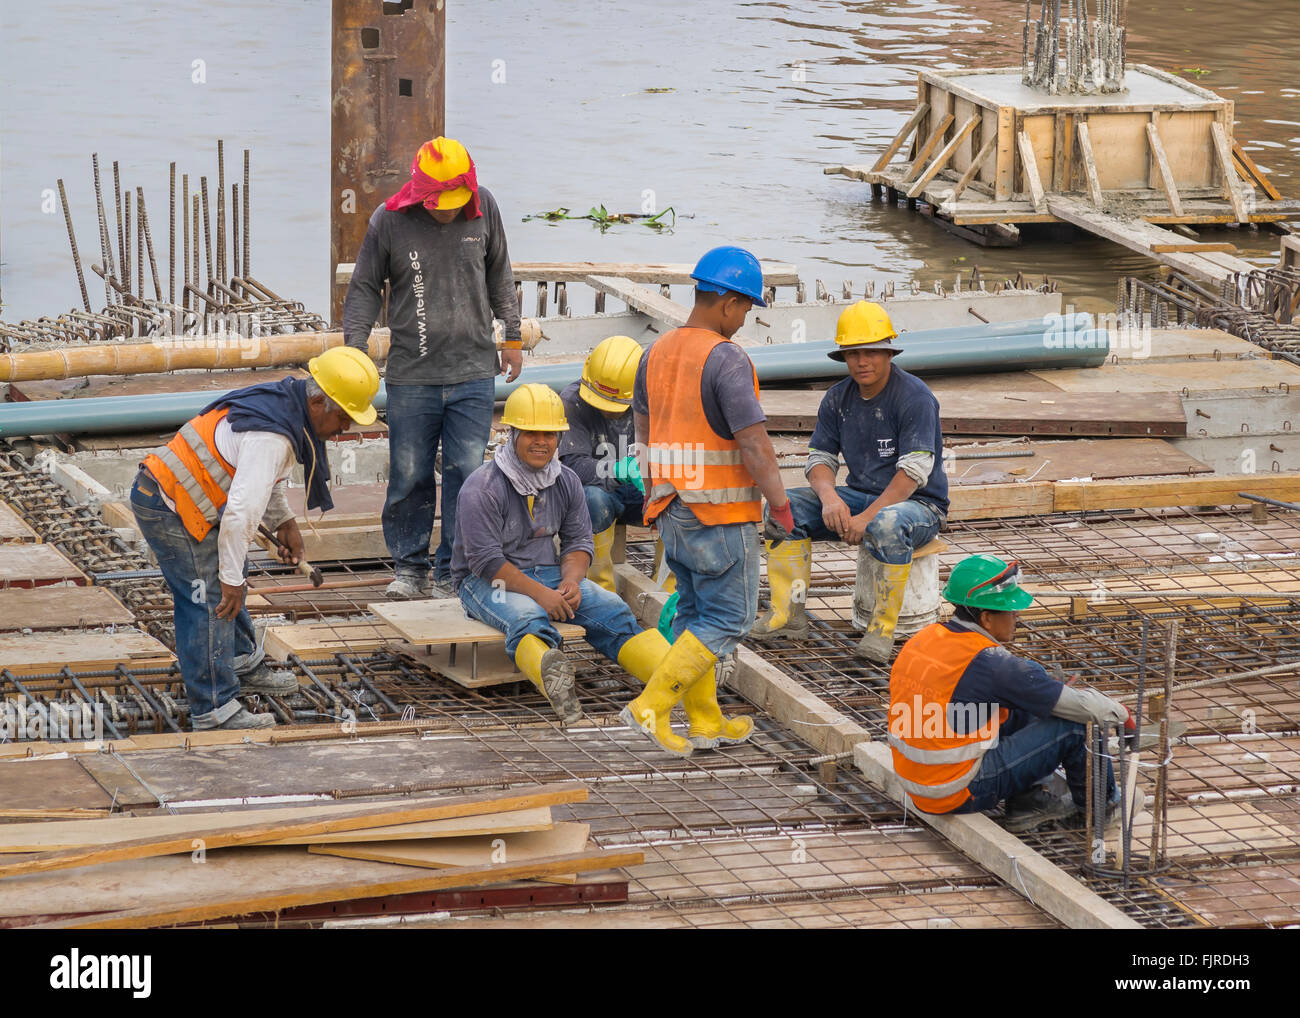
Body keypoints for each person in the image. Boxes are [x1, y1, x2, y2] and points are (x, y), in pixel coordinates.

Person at [130, 347, 381, 730]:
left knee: (231, 574)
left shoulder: (286, 405)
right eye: (344, 417)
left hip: (188, 497)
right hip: (169, 504)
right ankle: (213, 709)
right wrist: (231, 581)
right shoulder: (273, 435)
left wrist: (283, 522)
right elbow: (241, 515)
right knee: (210, 596)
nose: (346, 428)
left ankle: (239, 661)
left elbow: (262, 480)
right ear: (317, 401)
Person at [627, 245, 794, 755]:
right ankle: (649, 706)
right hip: (721, 515)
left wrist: (655, 499)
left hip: (672, 510)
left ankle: (705, 721)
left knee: (693, 617)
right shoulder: (725, 358)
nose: (744, 320)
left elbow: (642, 431)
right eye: (745, 308)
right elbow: (753, 441)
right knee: (730, 619)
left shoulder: (656, 352)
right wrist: (781, 505)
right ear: (726, 302)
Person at [343, 135, 523, 600]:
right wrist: (354, 346)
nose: (447, 210)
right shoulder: (390, 220)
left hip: (472, 373)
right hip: (412, 376)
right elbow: (364, 286)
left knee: (468, 474)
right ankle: (409, 568)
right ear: (419, 190)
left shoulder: (482, 208)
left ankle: (452, 570)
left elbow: (500, 272)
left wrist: (513, 336)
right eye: (438, 203)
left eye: (454, 201)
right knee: (409, 474)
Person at [452, 384, 671, 726]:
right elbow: (485, 562)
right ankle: (554, 682)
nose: (542, 442)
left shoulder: (565, 481)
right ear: (513, 434)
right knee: (526, 617)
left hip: (548, 573)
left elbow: (578, 542)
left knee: (612, 609)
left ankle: (674, 677)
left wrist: (571, 581)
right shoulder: (483, 487)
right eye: (532, 433)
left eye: (550, 434)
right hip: (485, 581)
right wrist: (542, 595)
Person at [750, 301, 949, 663]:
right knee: (785, 512)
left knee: (888, 523)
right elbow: (820, 459)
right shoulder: (837, 398)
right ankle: (787, 615)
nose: (862, 361)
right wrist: (829, 498)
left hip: (920, 506)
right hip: (861, 496)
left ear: (888, 353)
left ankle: (881, 630)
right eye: (853, 353)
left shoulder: (914, 397)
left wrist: (867, 516)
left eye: (872, 351)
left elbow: (913, 475)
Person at [888, 554, 1130, 831]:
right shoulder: (990, 663)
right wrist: (1125, 716)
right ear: (987, 618)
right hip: (956, 791)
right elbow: (1085, 708)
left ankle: (1028, 804)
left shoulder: (924, 639)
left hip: (916, 781)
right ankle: (1103, 811)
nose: (1017, 615)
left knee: (1025, 702)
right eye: (1010, 610)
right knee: (1077, 727)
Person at [557, 334, 646, 591]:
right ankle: (601, 589)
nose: (607, 410)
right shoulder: (574, 401)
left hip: (643, 492)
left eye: (615, 404)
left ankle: (671, 590)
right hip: (602, 495)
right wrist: (618, 470)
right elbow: (572, 466)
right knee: (590, 499)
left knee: (679, 495)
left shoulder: (654, 399)